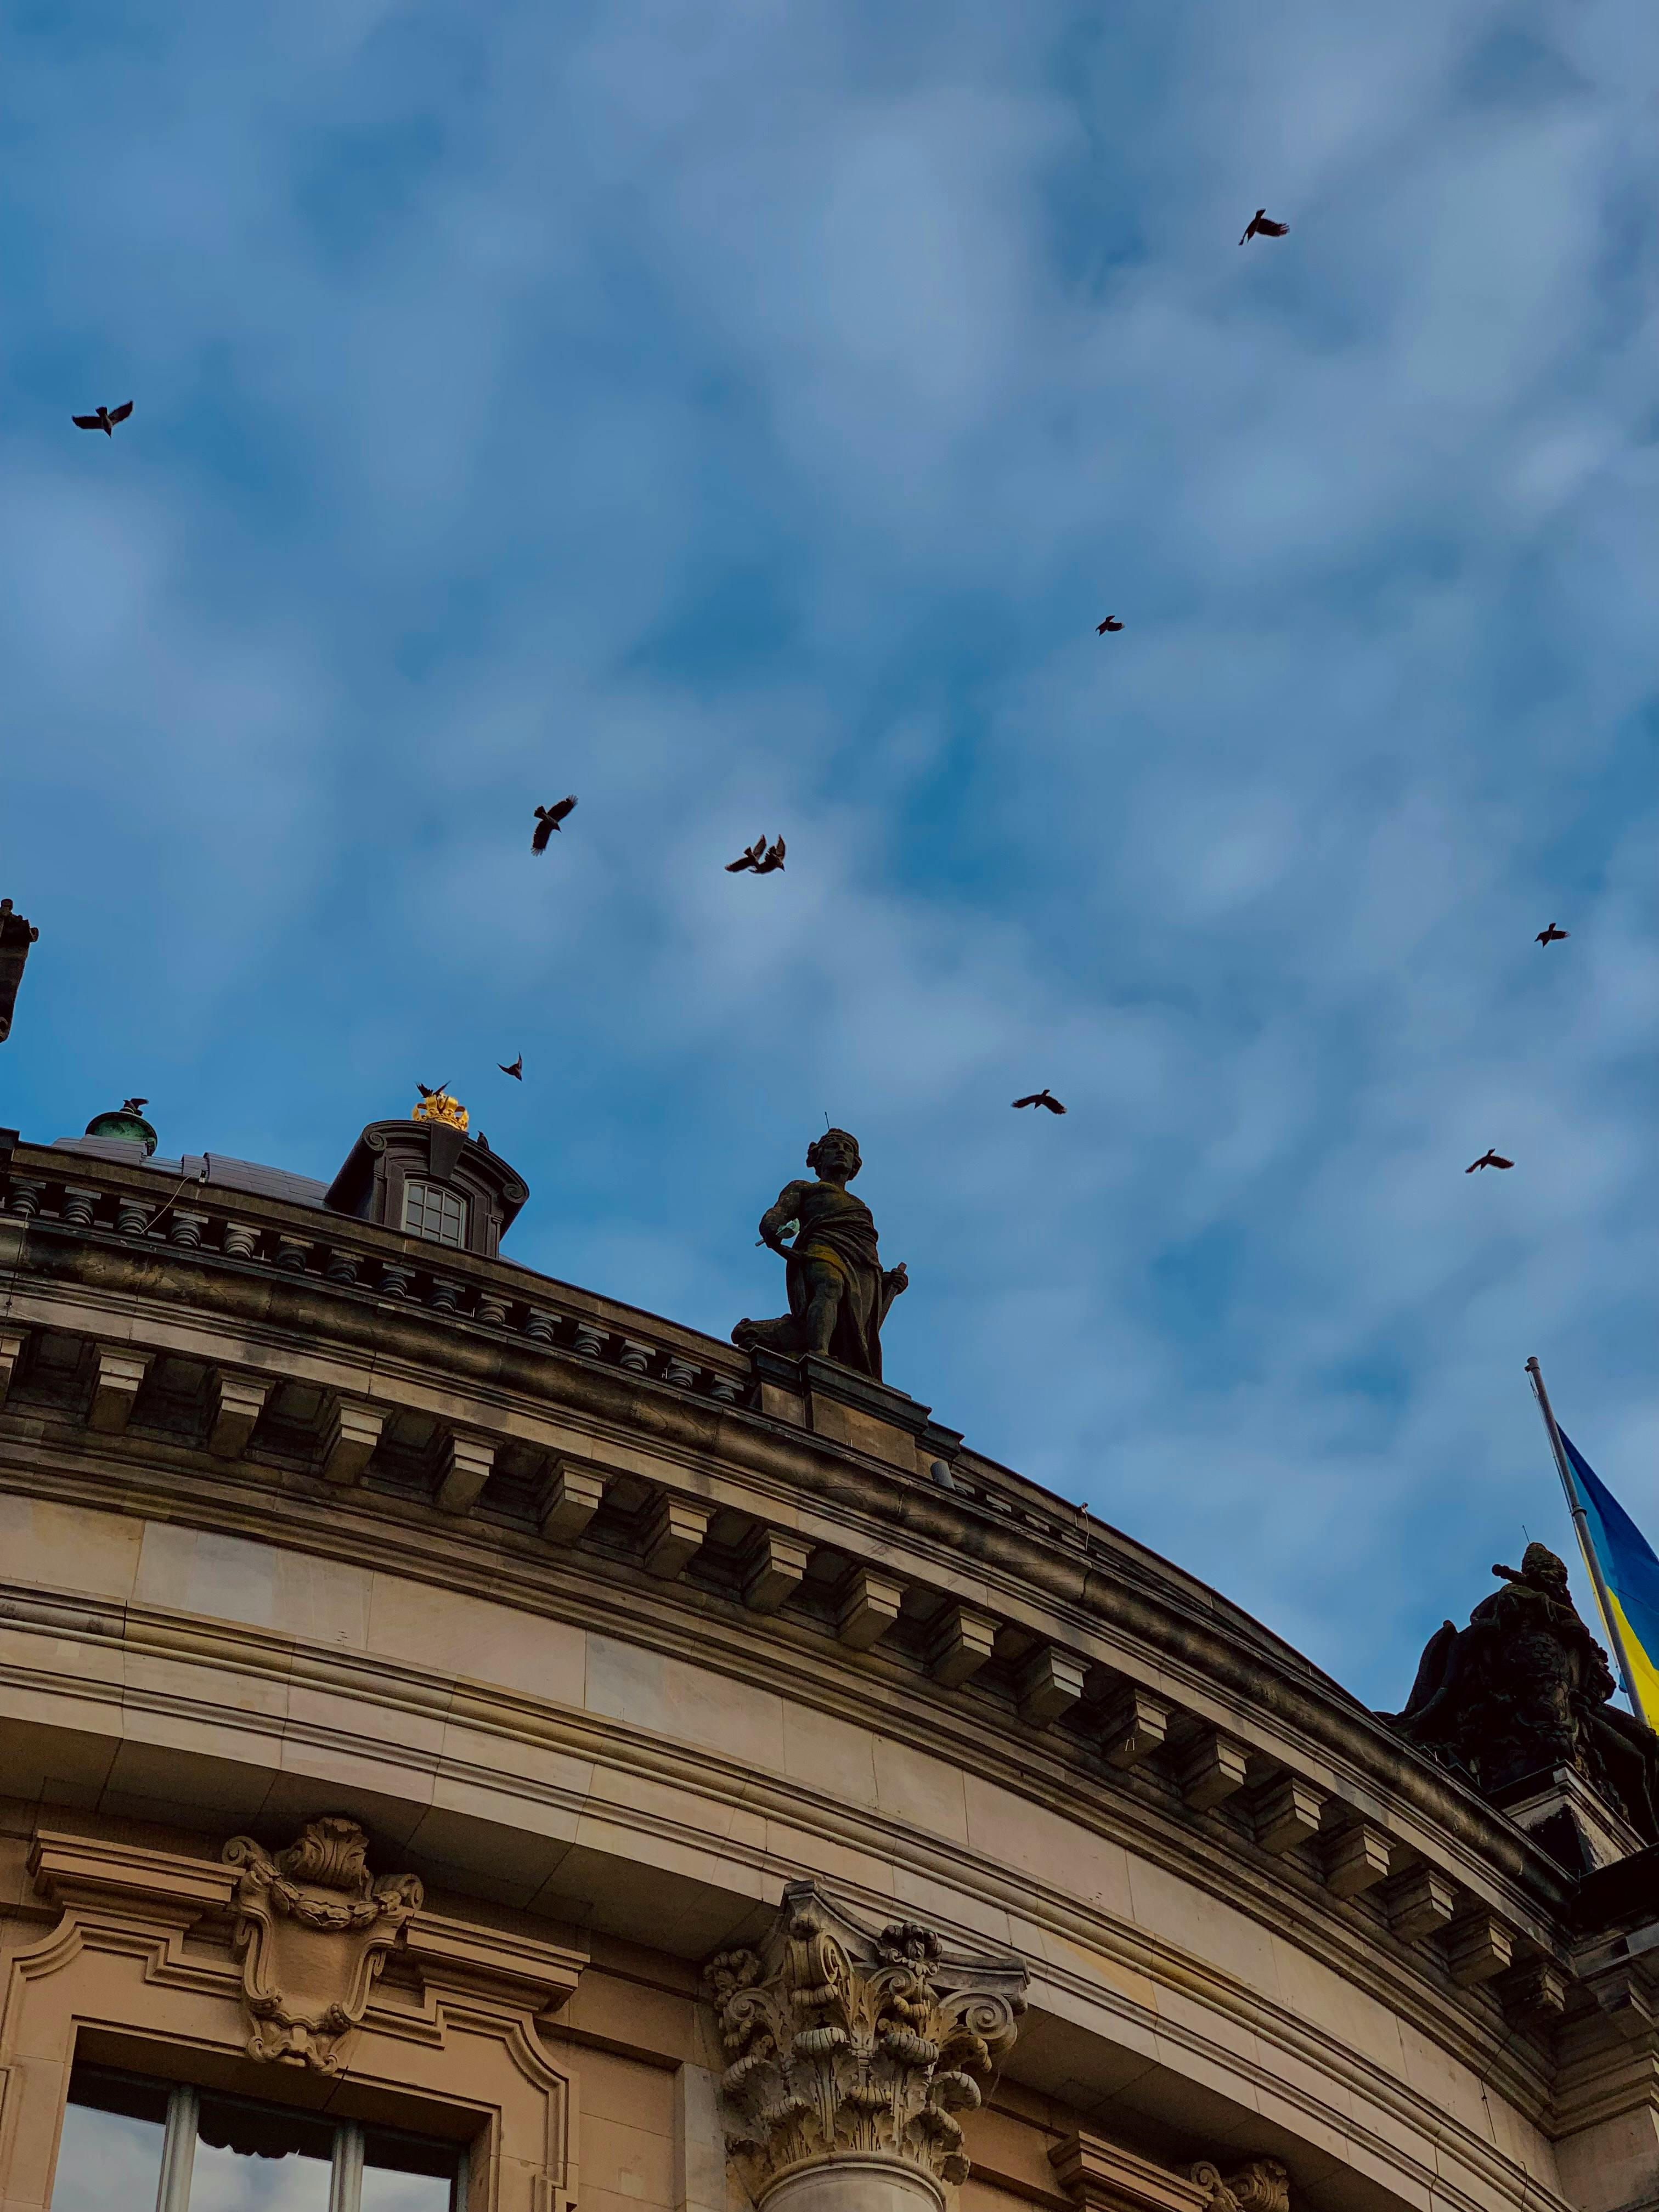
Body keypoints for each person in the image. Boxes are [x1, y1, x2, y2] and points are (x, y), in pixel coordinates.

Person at [733, 1130, 907, 1379]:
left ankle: (809, 1345)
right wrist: (771, 1227)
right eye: (833, 1147)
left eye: (848, 1149)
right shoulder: (803, 1188)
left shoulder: (861, 1207)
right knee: (830, 1284)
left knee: (856, 1321)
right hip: (820, 1247)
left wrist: (890, 1282)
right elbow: (779, 1212)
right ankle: (819, 1353)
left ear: (854, 1164)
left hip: (864, 1266)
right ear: (818, 1157)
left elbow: (869, 1249)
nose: (841, 1152)